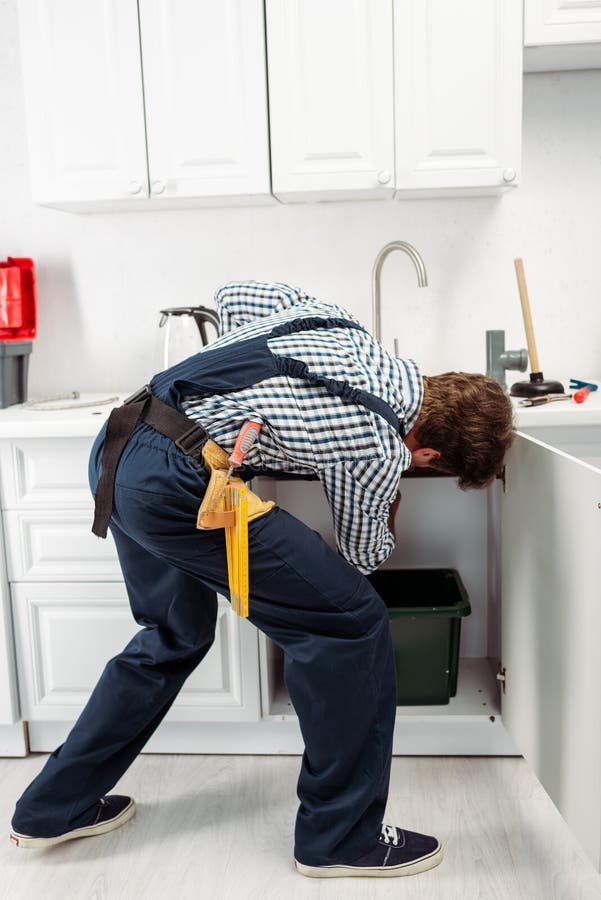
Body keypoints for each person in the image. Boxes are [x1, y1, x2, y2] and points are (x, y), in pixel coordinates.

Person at [9, 281, 515, 878]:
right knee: (351, 623)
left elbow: (237, 295)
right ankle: (340, 839)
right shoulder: (381, 445)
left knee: (172, 636)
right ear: (428, 454)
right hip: (175, 481)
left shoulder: (339, 321)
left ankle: (50, 808)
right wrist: (390, 499)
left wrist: (245, 411)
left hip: (121, 446)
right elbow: (360, 555)